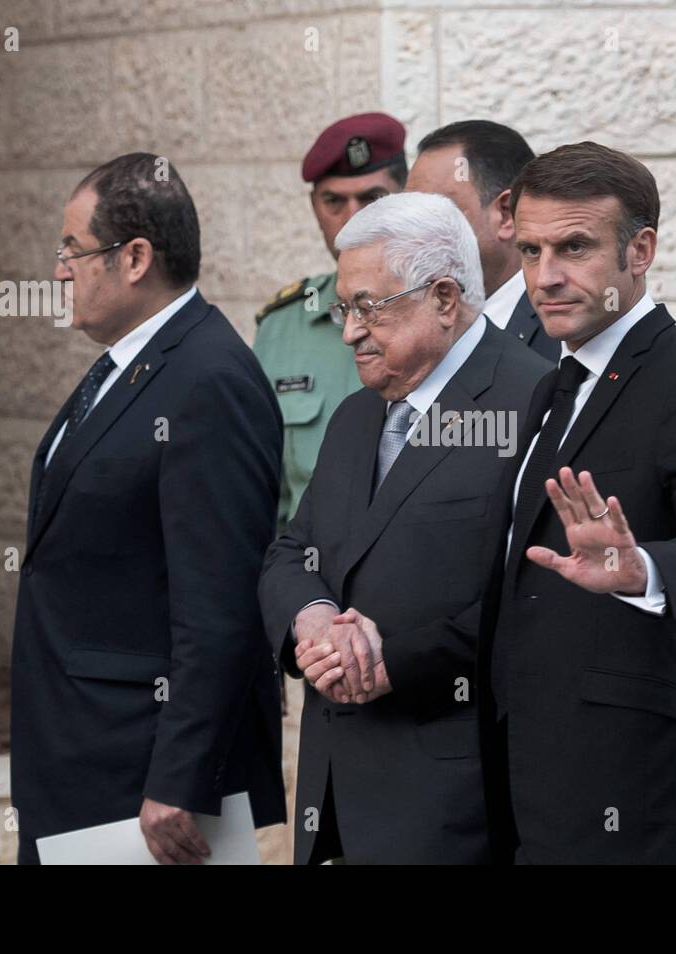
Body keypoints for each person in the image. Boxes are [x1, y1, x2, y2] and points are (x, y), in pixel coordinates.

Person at [477, 142, 676, 864]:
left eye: (574, 247)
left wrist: (641, 567)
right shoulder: (551, 387)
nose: (545, 277)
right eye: (531, 250)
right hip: (524, 783)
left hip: (631, 792)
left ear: (639, 251)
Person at [10, 153, 286, 864]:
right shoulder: (132, 364)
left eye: (72, 250)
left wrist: (178, 777)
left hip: (141, 784)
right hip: (79, 763)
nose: (59, 270)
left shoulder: (207, 378)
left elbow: (220, 602)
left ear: (134, 257)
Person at [258, 192, 549, 864]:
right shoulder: (359, 415)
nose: (350, 331)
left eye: (368, 307)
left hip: (458, 805)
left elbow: (535, 601)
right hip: (335, 794)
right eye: (344, 308)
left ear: (445, 298)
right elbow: (292, 550)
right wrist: (312, 618)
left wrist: (391, 659)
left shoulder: (536, 401)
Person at [253, 112, 407, 528]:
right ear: (314, 208)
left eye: (371, 198)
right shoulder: (280, 328)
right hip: (307, 577)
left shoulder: (444, 313)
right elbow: (265, 495)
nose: (353, 217)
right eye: (334, 201)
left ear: (405, 197)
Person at [407, 119, 557, 362]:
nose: (414, 232)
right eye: (410, 213)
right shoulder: (414, 324)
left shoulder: (563, 326)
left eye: (436, 212)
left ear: (507, 214)